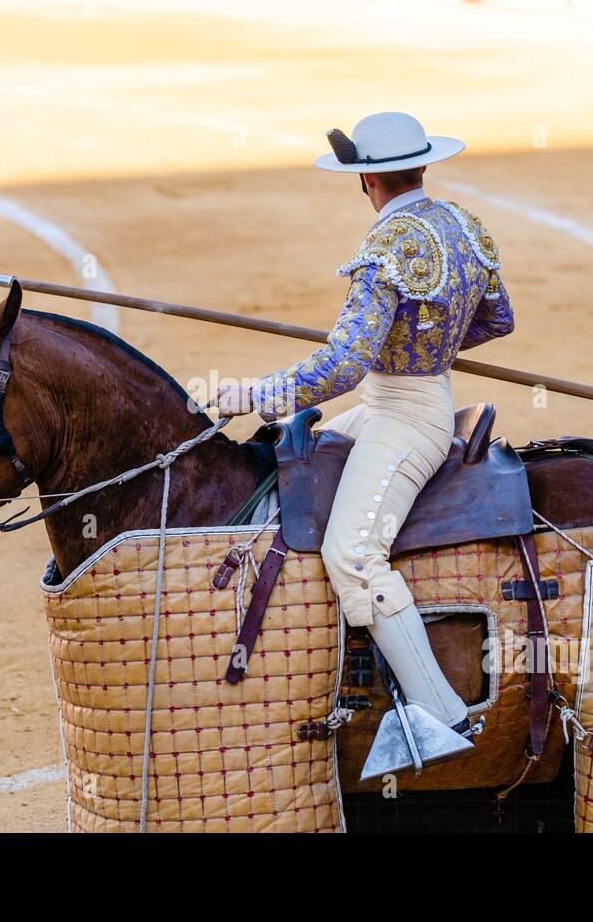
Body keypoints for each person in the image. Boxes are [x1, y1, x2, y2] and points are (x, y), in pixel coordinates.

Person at [217, 111, 514, 754]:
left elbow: (344, 364)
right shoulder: (466, 226)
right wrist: (425, 344)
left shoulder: (384, 251)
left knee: (353, 554)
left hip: (404, 421)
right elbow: (498, 319)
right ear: (423, 165)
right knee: (288, 458)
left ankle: (445, 718)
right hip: (415, 401)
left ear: (366, 181)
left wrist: (253, 395)